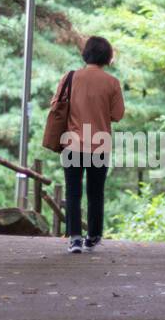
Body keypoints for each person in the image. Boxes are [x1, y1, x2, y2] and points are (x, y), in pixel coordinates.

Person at [50, 35, 124, 253]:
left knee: (73, 191)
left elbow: (55, 104)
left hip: (72, 143)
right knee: (95, 191)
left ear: (86, 54)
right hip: (99, 144)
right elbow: (118, 114)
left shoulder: (70, 77)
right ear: (107, 57)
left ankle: (74, 238)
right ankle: (93, 236)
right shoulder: (112, 82)